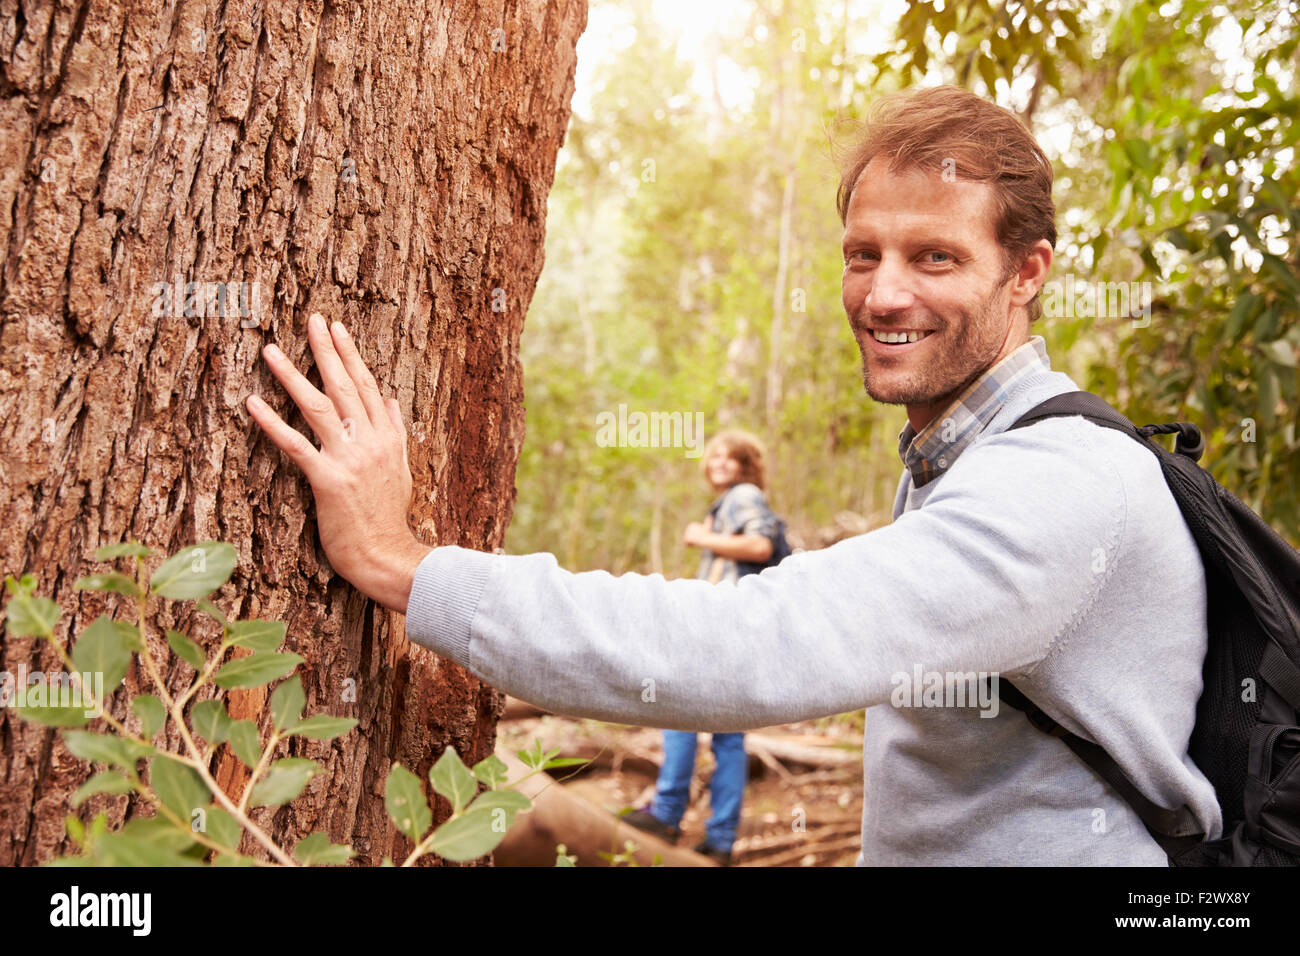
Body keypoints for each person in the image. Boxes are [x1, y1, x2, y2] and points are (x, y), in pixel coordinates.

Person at [244, 84, 1222, 865]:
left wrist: (400, 563)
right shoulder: (959, 454)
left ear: (1027, 273)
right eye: (862, 254)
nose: (884, 292)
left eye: (935, 256)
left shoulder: (1057, 485)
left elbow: (746, 644)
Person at [623, 430, 782, 865]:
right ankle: (720, 841)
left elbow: (760, 544)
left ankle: (667, 813)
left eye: (730, 458)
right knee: (728, 738)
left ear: (747, 465)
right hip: (740, 628)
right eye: (714, 456)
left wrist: (701, 537)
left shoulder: (743, 495)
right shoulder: (730, 501)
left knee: (677, 710)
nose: (718, 463)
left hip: (724, 626)